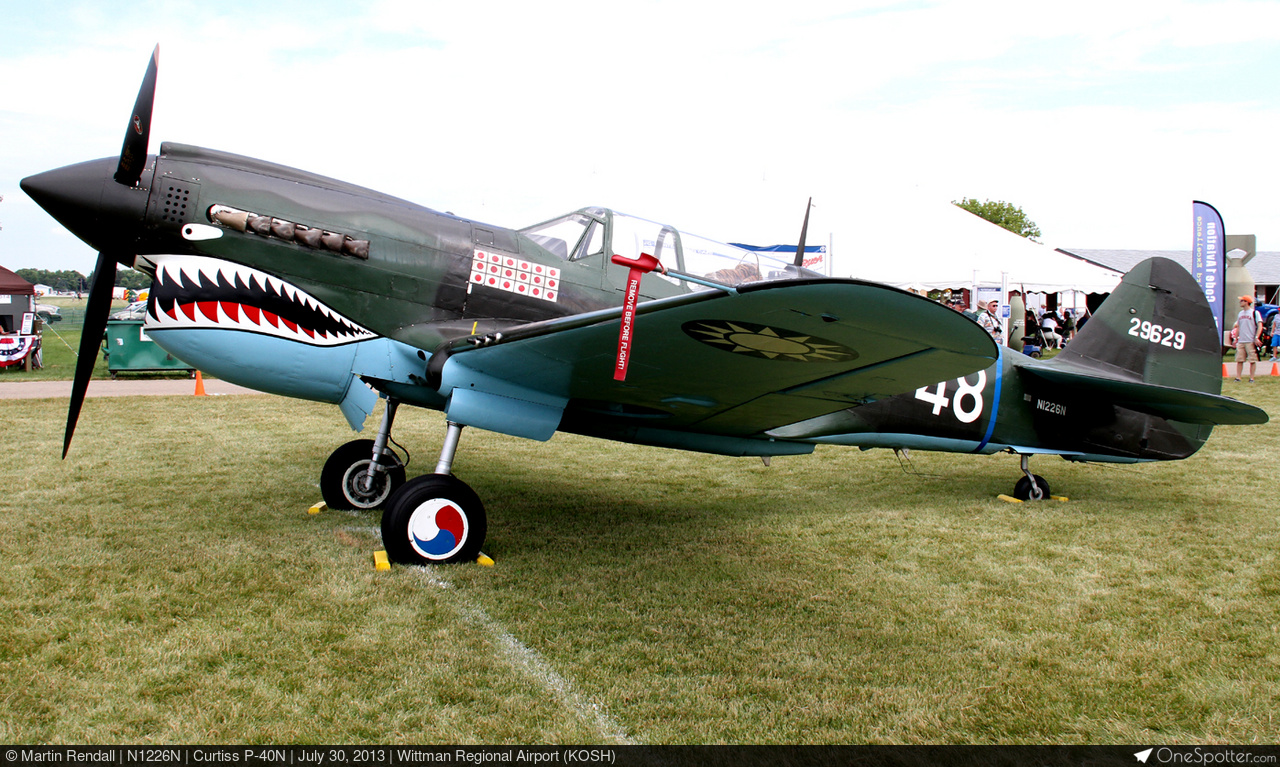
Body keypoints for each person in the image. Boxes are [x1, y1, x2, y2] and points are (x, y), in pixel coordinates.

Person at [1233, 295, 1263, 382]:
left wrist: (1256, 337)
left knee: (1252, 360)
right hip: (1241, 340)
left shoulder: (1254, 313)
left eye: (1242, 300)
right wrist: (1236, 338)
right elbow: (1238, 326)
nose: (1240, 302)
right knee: (1239, 360)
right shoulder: (1240, 313)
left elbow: (1260, 326)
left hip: (1250, 340)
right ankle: (1238, 377)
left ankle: (1252, 378)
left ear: (1247, 302)